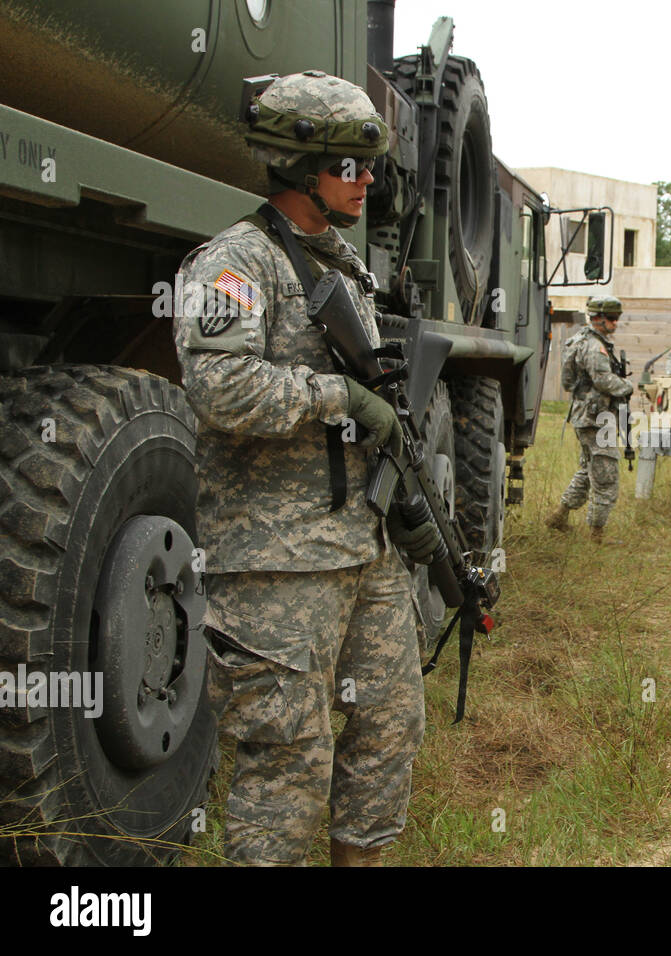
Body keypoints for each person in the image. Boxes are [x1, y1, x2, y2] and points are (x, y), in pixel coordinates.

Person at [173, 72, 433, 866]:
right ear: (300, 169)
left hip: (361, 546)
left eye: (370, 168)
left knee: (391, 725)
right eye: (350, 167)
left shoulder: (341, 263)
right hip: (276, 563)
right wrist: (338, 395)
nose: (366, 182)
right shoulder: (235, 263)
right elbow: (219, 389)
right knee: (287, 760)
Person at [545, 295, 634, 541]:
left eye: (618, 318)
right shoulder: (596, 347)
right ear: (598, 318)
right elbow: (604, 380)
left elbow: (567, 382)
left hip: (584, 416)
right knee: (606, 475)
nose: (616, 323)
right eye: (613, 319)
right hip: (598, 419)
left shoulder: (578, 341)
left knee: (588, 469)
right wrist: (626, 386)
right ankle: (597, 534)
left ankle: (558, 516)